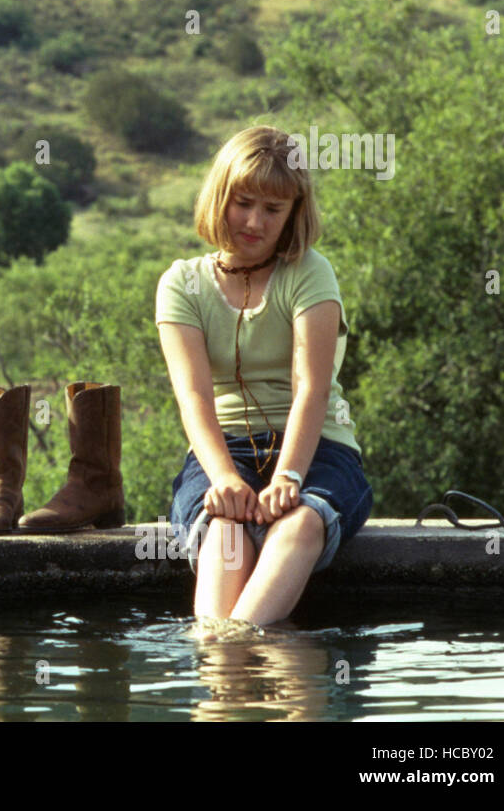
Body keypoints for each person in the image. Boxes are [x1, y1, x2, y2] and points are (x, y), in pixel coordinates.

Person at [154, 125, 373, 629]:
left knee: (299, 524)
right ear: (220, 197)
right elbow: (193, 396)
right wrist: (225, 478)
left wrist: (290, 475)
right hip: (223, 449)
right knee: (225, 532)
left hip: (319, 448)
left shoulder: (311, 272)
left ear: (294, 213)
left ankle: (237, 655)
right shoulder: (180, 284)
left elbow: (311, 387)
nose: (254, 222)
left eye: (273, 210)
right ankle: (222, 664)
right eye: (243, 202)